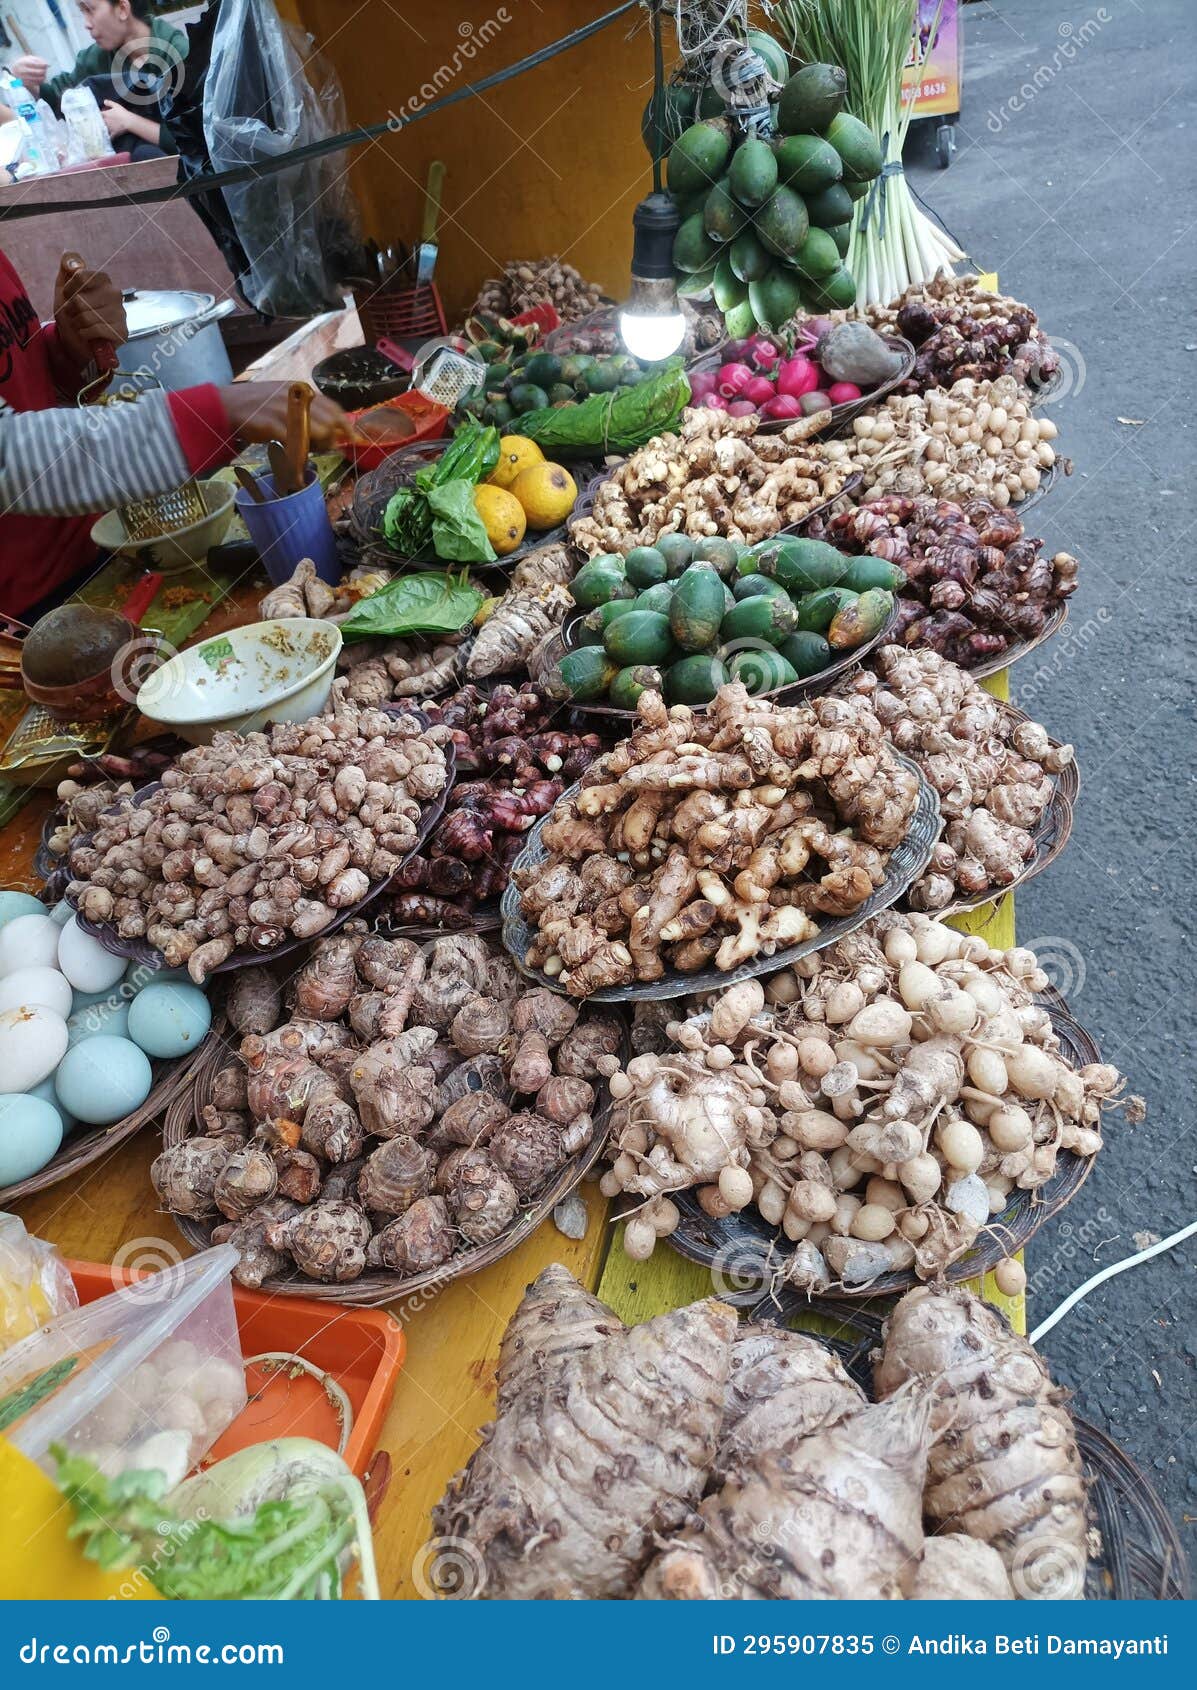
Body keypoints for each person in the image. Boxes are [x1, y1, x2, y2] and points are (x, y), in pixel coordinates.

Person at [1, 247, 353, 619]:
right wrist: (213, 414)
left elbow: (27, 392)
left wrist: (67, 356)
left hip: (102, 553)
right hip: (25, 617)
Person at [8, 0, 187, 158]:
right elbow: (58, 97)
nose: (86, 24)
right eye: (81, 11)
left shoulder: (179, 54)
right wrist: (25, 80)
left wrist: (130, 122)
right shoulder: (95, 59)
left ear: (122, 9)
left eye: (90, 9)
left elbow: (198, 138)